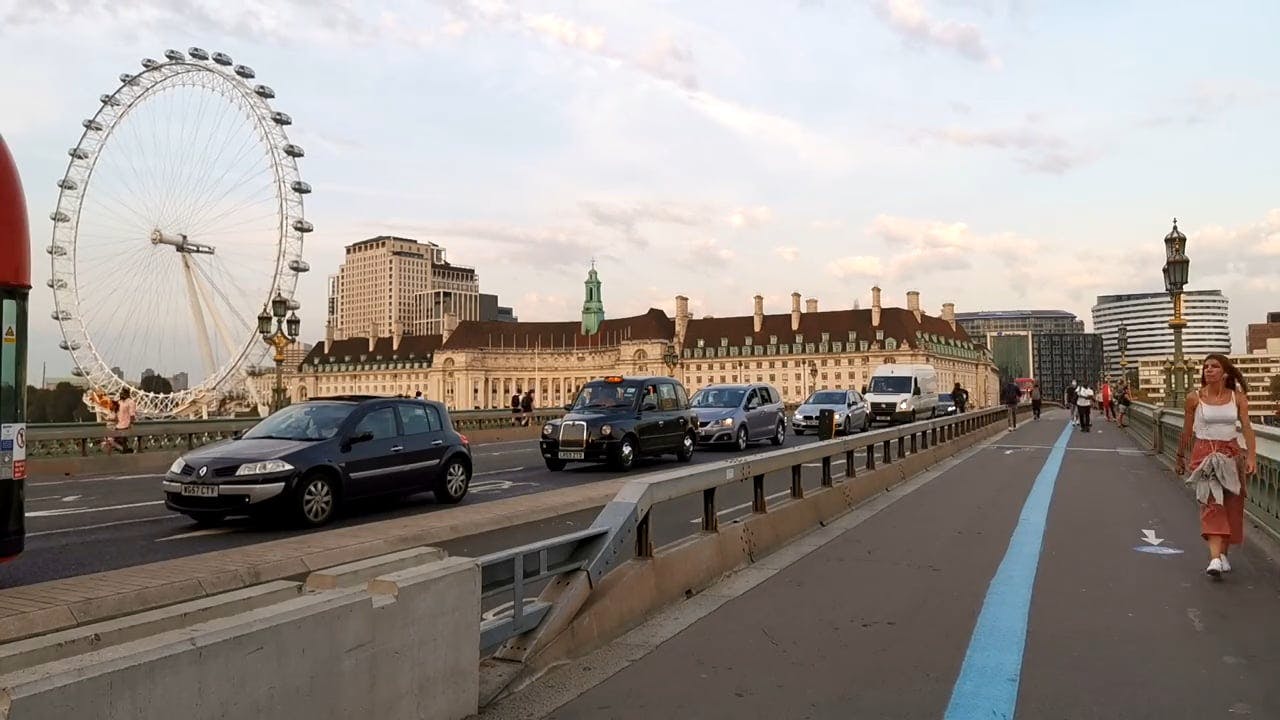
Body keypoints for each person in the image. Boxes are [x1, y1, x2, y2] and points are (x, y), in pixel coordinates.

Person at [1176, 354, 1258, 578]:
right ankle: (1214, 559)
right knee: (1212, 503)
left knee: (1231, 505)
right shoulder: (1194, 398)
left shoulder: (1237, 398)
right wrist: (1180, 455)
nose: (1208, 370)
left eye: (1214, 367)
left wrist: (1251, 456)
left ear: (1225, 373)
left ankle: (1223, 555)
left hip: (1231, 454)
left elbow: (1247, 428)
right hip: (1204, 453)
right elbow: (1187, 430)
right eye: (1206, 367)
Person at [107, 387, 137, 454]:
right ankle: (127, 451)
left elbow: (132, 415)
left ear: (127, 394)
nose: (121, 394)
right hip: (118, 426)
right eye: (121, 393)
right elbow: (117, 413)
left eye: (123, 393)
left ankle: (125, 452)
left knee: (120, 442)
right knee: (111, 440)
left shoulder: (131, 402)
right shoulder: (119, 402)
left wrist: (130, 425)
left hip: (125, 427)